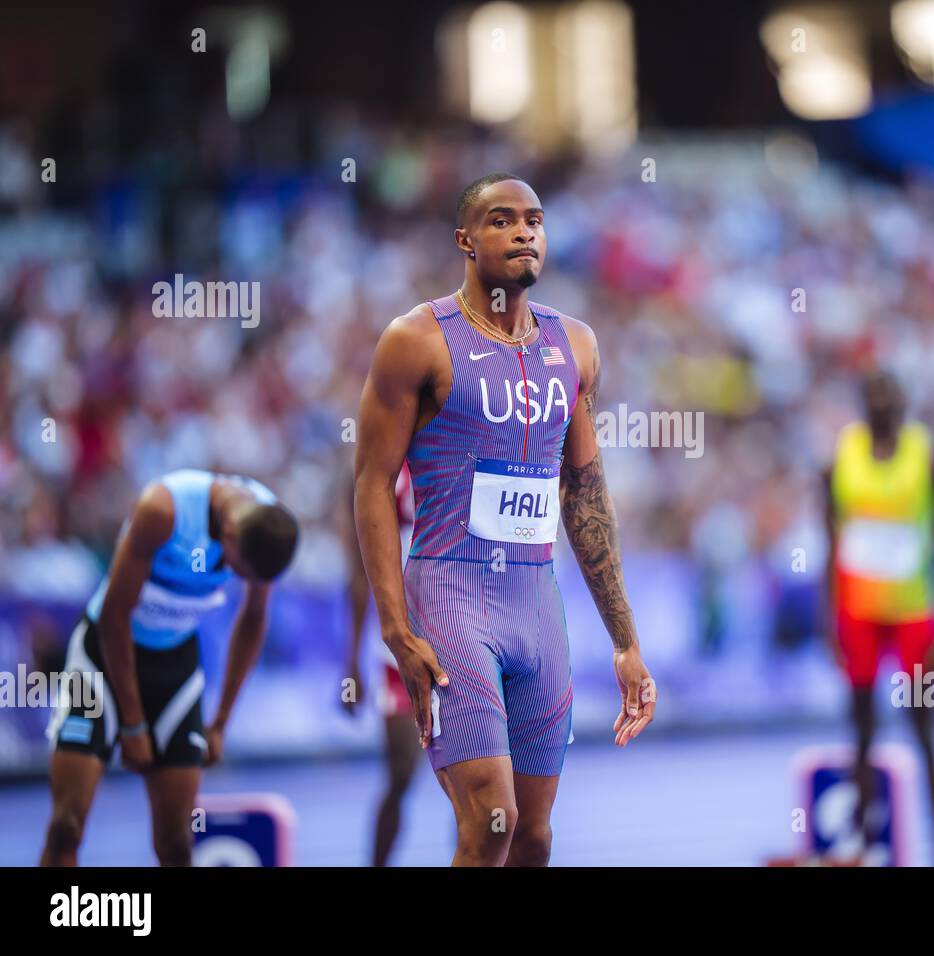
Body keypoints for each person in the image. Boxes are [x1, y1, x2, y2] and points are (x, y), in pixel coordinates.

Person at [353, 172, 656, 867]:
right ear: (465, 240)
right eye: (501, 220)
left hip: (535, 600)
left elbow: (584, 494)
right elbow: (370, 483)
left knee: (534, 836)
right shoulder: (417, 340)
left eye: (534, 220)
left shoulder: (574, 345)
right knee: (491, 819)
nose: (523, 231)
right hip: (450, 594)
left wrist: (625, 641)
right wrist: (396, 630)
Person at [41, 469, 299, 866]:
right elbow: (114, 616)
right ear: (227, 534)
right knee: (67, 826)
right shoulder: (162, 510)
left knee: (177, 843)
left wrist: (221, 721)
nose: (232, 576)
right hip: (101, 659)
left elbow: (253, 618)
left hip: (174, 669)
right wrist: (133, 723)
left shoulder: (266, 521)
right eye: (237, 570)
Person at [823, 370, 934, 865]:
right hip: (857, 611)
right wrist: (826, 614)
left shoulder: (926, 458)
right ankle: (862, 843)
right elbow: (829, 540)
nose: (882, 407)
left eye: (891, 399)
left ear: (903, 406)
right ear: (863, 406)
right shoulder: (842, 456)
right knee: (861, 732)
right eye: (874, 399)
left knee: (923, 729)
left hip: (914, 611)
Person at [341, 460, 422, 866]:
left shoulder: (460, 437)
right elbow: (357, 572)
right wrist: (351, 661)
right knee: (402, 772)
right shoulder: (373, 465)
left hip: (462, 638)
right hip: (397, 647)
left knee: (476, 784)